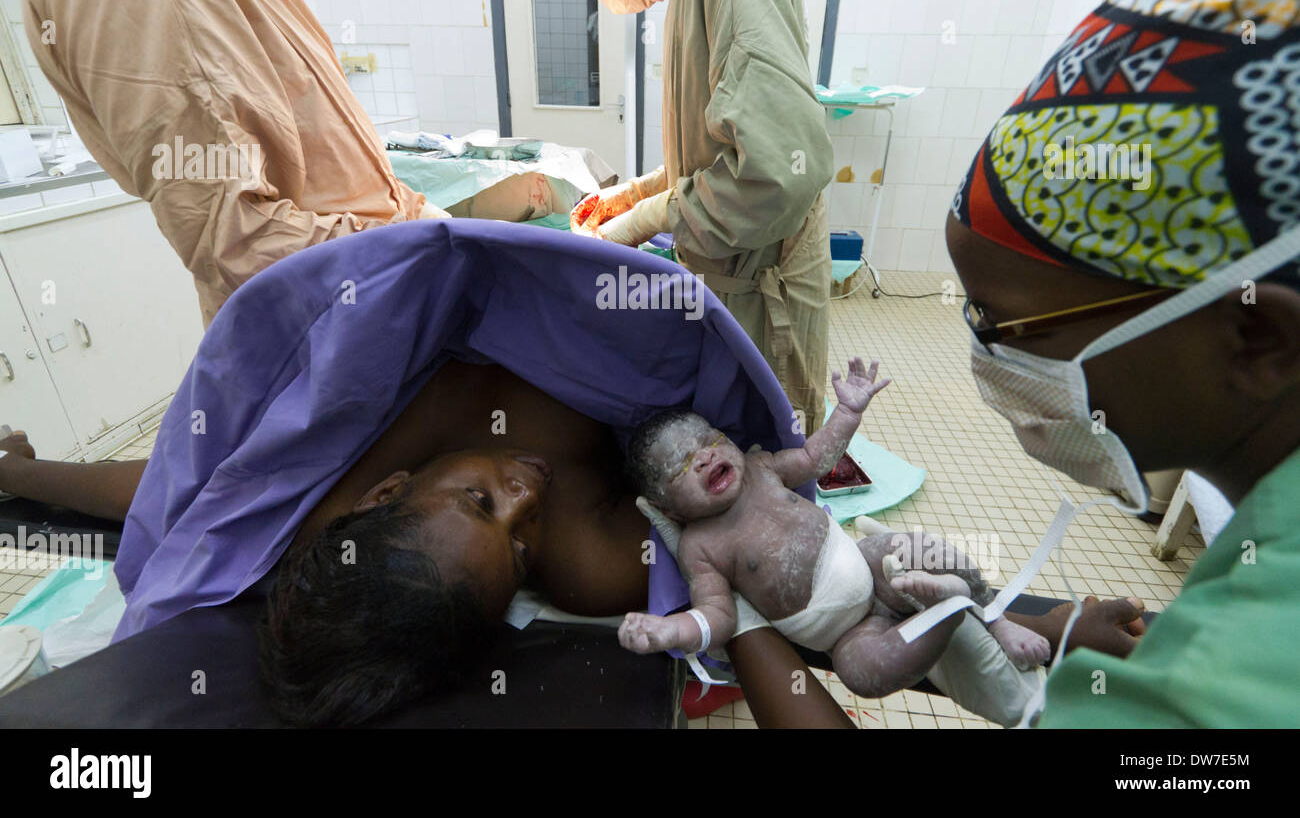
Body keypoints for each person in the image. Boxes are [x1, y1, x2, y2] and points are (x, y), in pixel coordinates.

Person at [1, 220, 1144, 728]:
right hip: (644, 384)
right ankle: (1035, 619)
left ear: (385, 495)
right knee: (814, 567)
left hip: (503, 296)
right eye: (512, 531)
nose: (526, 485)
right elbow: (776, 596)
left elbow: (178, 491)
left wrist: (37, 472)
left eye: (480, 492)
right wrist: (1035, 608)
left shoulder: (334, 481)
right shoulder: (590, 553)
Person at [947, 0, 1300, 727]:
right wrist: (1050, 630)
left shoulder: (1214, 694)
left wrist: (759, 627)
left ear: (1257, 339)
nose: (988, 360)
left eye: (1003, 327)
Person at [21, 0, 552, 326]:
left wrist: (418, 218)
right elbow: (236, 240)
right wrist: (424, 248)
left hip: (369, 294)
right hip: (321, 319)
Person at [532, 0, 834, 433]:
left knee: (775, 462)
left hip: (766, 288)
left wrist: (644, 220)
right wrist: (635, 194)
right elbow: (715, 147)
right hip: (735, 276)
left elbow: (772, 174)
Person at [618, 362, 1051, 704]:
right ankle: (946, 613)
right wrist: (671, 631)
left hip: (870, 563)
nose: (703, 458)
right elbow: (719, 615)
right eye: (679, 466)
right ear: (665, 508)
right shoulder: (700, 546)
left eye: (709, 440)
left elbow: (813, 458)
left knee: (918, 547)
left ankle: (997, 621)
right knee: (862, 675)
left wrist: (848, 412)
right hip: (841, 636)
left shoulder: (761, 468)